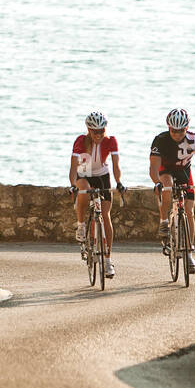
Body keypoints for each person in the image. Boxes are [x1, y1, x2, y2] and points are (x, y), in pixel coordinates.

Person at [149, 108, 195, 274]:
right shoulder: (160, 140)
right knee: (167, 187)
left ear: (187, 128)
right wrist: (157, 183)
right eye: (173, 130)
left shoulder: (194, 139)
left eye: (181, 130)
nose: (177, 134)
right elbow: (153, 167)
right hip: (165, 170)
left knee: (189, 211)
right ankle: (164, 222)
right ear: (169, 128)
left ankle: (189, 253)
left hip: (184, 171)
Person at [69, 111, 125, 279]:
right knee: (84, 191)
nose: (99, 134)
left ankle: (107, 261)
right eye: (95, 131)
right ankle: (81, 225)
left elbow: (116, 165)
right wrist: (72, 185)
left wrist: (119, 182)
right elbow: (73, 167)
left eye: (102, 130)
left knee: (105, 216)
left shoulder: (110, 141)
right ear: (88, 130)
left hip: (102, 175)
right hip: (84, 173)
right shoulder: (81, 141)